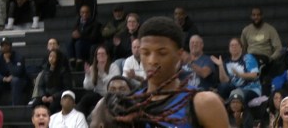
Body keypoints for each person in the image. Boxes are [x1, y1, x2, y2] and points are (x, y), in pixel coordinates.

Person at [90, 17, 228, 128]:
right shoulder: (127, 105)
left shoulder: (203, 103)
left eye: (162, 53)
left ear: (179, 55)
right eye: (145, 52)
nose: (152, 60)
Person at [213, 37, 261, 103]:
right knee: (222, 86)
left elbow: (255, 75)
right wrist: (220, 66)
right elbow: (224, 81)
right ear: (229, 48)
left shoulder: (248, 58)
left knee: (236, 95)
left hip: (251, 88)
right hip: (234, 88)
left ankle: (228, 103)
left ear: (241, 47)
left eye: (236, 45)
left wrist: (239, 75)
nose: (234, 47)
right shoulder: (226, 62)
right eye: (232, 45)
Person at [0, 39, 28, 106]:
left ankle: (16, 107)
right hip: (3, 82)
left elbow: (18, 73)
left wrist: (8, 61)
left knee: (15, 80)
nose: (4, 47)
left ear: (10, 46)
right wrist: (4, 78)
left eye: (6, 45)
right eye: (2, 46)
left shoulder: (19, 57)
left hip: (19, 81)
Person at [34, 50, 72, 114]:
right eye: (50, 56)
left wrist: (53, 97)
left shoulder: (63, 71)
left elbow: (67, 88)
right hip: (46, 95)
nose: (51, 58)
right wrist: (43, 95)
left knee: (53, 106)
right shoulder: (46, 70)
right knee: (36, 104)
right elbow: (40, 85)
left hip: (58, 96)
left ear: (58, 58)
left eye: (54, 57)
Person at [67, 5, 101, 70]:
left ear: (89, 13)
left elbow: (93, 37)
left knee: (78, 43)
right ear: (80, 13)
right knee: (69, 41)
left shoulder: (95, 23)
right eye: (82, 12)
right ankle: (72, 60)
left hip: (89, 44)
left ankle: (79, 62)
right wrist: (73, 35)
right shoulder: (78, 23)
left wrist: (81, 36)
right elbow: (74, 32)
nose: (84, 14)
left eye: (86, 12)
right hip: (79, 43)